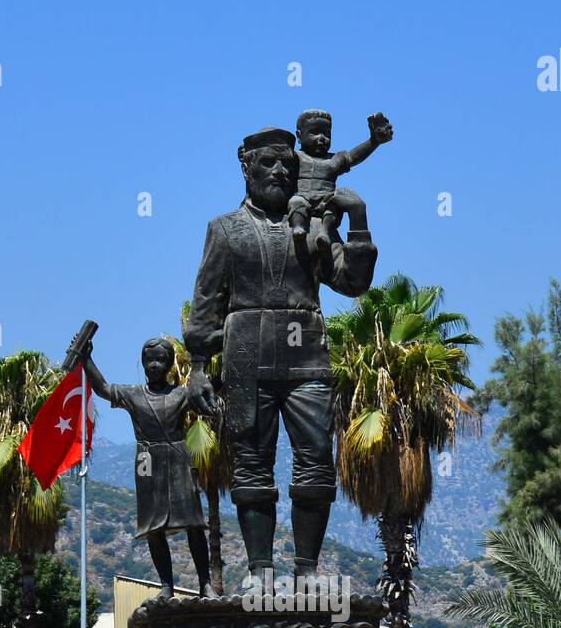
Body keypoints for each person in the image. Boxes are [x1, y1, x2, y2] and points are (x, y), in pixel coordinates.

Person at [185, 125, 379, 583]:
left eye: (285, 164)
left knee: (316, 457)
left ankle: (308, 570)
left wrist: (359, 218)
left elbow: (352, 282)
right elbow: (207, 300)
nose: (277, 171)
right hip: (246, 354)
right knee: (251, 462)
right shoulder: (224, 229)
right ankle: (260, 571)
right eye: (266, 163)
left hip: (307, 356)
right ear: (246, 168)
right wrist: (196, 368)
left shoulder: (314, 226)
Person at [81, 336, 216, 599]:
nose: (154, 365)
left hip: (178, 457)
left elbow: (208, 394)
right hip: (147, 463)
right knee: (154, 528)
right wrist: (87, 359)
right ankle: (166, 585)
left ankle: (205, 583)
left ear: (168, 364)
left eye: (160, 360)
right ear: (143, 362)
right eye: (149, 360)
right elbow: (103, 388)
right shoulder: (133, 394)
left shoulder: (182, 394)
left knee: (194, 523)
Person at [287, 109, 392, 255]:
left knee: (334, 208)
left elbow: (353, 157)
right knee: (296, 201)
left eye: (327, 133)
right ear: (299, 135)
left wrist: (374, 141)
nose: (322, 138)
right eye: (315, 132)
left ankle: (324, 232)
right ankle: (298, 227)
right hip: (302, 198)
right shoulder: (294, 157)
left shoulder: (334, 160)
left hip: (325, 202)